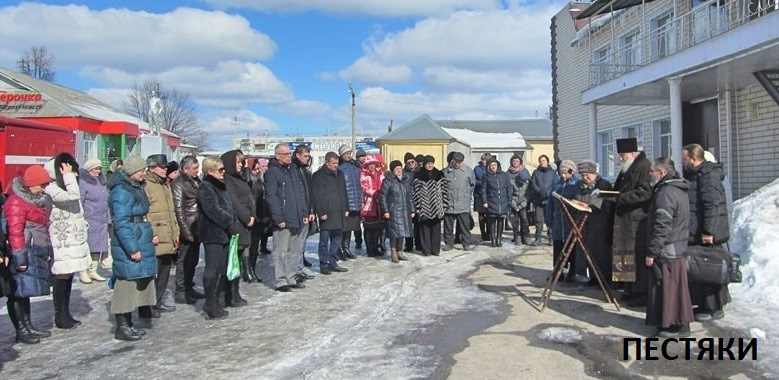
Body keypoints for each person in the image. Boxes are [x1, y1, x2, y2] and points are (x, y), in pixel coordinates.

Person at [107, 155, 157, 340]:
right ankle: (122, 325)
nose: (144, 173)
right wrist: (132, 248)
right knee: (126, 283)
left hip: (139, 235)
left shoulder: (135, 187)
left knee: (135, 280)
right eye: (141, 170)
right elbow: (121, 222)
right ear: (131, 172)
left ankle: (129, 323)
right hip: (130, 240)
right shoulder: (122, 191)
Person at [4, 166, 54, 344]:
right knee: (17, 292)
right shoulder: (16, 202)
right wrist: (19, 257)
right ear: (31, 184)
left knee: (25, 291)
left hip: (32, 249)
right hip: (22, 251)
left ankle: (28, 325)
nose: (44, 188)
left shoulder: (35, 200)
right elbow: (15, 232)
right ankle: (21, 330)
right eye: (41, 184)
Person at [645, 157, 693, 338]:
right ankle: (677, 323)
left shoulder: (666, 192)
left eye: (652, 171)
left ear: (662, 172)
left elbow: (662, 224)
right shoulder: (677, 189)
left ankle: (674, 325)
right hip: (677, 244)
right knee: (675, 287)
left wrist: (652, 250)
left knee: (669, 288)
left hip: (668, 247)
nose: (650, 174)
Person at [682, 144, 731, 321]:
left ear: (694, 159)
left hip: (709, 232)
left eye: (685, 159)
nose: (683, 162)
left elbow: (711, 205)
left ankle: (713, 308)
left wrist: (709, 231)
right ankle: (705, 304)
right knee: (703, 268)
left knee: (709, 267)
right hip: (700, 230)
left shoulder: (708, 176)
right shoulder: (698, 174)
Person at [44, 153, 92, 329]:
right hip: (61, 241)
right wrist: (68, 175)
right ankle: (60, 315)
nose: (74, 174)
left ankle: (66, 313)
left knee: (68, 277)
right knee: (61, 278)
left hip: (72, 240)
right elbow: (72, 197)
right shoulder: (52, 188)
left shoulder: (65, 185)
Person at [266, 144, 318, 290]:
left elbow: (300, 195)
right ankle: (281, 280)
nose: (289, 156)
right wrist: (278, 218)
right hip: (283, 219)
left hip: (297, 217)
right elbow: (271, 197)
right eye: (286, 154)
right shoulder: (272, 172)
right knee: (281, 251)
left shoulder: (292, 171)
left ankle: (291, 277)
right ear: (278, 155)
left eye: (289, 154)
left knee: (295, 250)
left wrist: (304, 213)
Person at [611, 138, 653, 307]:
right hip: (625, 219)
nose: (620, 158)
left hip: (637, 220)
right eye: (619, 155)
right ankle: (628, 289)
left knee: (636, 256)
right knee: (625, 255)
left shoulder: (644, 166)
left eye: (623, 155)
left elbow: (645, 192)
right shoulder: (626, 168)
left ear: (634, 153)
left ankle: (640, 293)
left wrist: (621, 198)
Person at [196, 156, 236, 320]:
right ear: (210, 171)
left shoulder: (220, 185)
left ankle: (215, 301)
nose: (223, 172)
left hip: (223, 233)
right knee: (212, 269)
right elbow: (213, 209)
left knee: (221, 268)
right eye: (220, 169)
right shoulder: (206, 187)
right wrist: (229, 219)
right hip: (212, 233)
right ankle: (210, 303)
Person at [144, 154, 180, 313]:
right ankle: (147, 305)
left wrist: (176, 232)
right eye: (162, 167)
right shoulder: (146, 186)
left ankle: (157, 301)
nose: (165, 169)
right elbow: (145, 214)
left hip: (167, 235)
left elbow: (171, 212)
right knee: (152, 273)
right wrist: (151, 234)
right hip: (155, 237)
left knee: (165, 270)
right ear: (152, 168)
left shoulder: (165, 185)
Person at [220, 150, 256, 301]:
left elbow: (249, 198)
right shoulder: (227, 180)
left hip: (246, 224)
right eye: (238, 162)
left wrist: (253, 215)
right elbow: (234, 202)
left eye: (242, 162)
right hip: (236, 224)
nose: (241, 165)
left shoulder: (240, 179)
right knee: (232, 261)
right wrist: (247, 218)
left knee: (238, 259)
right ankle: (230, 294)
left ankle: (235, 292)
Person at [170, 155, 205, 304]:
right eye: (194, 168)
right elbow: (178, 209)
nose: (197, 171)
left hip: (197, 227)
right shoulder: (179, 183)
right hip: (188, 228)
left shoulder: (196, 181)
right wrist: (186, 232)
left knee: (193, 261)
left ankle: (189, 287)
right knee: (183, 262)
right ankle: (181, 291)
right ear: (185, 169)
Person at [574, 160, 613, 286]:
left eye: (587, 175)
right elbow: (577, 198)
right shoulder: (580, 185)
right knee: (589, 251)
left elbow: (602, 204)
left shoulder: (603, 184)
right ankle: (593, 277)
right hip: (585, 223)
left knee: (601, 252)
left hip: (600, 223)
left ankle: (603, 278)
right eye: (582, 175)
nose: (585, 178)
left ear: (594, 172)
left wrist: (588, 205)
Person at [312, 152, 350, 273]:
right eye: (333, 163)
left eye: (337, 163)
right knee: (324, 241)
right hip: (326, 213)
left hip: (338, 212)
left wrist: (346, 208)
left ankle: (333, 262)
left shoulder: (340, 174)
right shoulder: (318, 175)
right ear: (327, 162)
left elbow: (344, 192)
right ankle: (324, 264)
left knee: (337, 240)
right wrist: (320, 211)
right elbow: (316, 196)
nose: (336, 166)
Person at [546, 160, 581, 279]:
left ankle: (573, 272)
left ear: (571, 172)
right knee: (558, 247)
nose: (563, 175)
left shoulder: (576, 184)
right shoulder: (557, 185)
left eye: (566, 173)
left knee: (571, 246)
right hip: (558, 222)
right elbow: (550, 203)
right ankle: (558, 272)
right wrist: (549, 220)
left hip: (570, 222)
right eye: (561, 173)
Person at [78, 158, 110, 284]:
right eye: (95, 168)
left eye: (99, 168)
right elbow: (80, 200)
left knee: (99, 246)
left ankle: (93, 269)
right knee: (87, 246)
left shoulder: (101, 182)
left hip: (101, 219)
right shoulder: (84, 182)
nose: (98, 171)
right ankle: (84, 271)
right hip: (89, 219)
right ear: (89, 169)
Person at [381, 160, 414, 263]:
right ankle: (393, 252)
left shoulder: (406, 180)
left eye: (400, 168)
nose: (399, 171)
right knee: (394, 233)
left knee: (402, 232)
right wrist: (385, 210)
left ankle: (400, 251)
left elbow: (410, 196)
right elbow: (382, 197)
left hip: (404, 210)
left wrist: (412, 209)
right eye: (396, 169)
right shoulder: (388, 181)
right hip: (393, 210)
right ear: (393, 171)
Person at [413, 155, 446, 256]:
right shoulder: (418, 175)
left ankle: (435, 250)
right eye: (427, 164)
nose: (429, 165)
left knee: (436, 229)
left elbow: (445, 190)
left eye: (431, 163)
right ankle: (426, 250)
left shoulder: (439, 174)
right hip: (424, 206)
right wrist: (418, 206)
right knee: (425, 230)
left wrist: (445, 204)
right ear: (424, 165)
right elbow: (415, 192)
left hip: (437, 206)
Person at [442, 152, 476, 251]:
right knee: (448, 227)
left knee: (464, 226)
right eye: (455, 162)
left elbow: (473, 185)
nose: (457, 164)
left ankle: (466, 243)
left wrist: (467, 196)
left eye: (459, 162)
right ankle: (449, 243)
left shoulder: (468, 171)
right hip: (449, 204)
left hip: (463, 204)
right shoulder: (446, 171)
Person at [481, 158, 515, 248]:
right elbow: (483, 190)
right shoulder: (486, 176)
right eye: (491, 165)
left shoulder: (504, 175)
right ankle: (492, 239)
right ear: (488, 167)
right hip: (491, 201)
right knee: (492, 221)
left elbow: (509, 188)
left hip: (502, 201)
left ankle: (499, 239)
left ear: (498, 166)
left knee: (501, 220)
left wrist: (509, 199)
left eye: (495, 165)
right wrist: (484, 201)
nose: (493, 167)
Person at [338, 144, 362, 259]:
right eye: (346, 153)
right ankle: (341, 248)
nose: (349, 155)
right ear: (341, 155)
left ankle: (346, 247)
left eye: (349, 153)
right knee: (344, 228)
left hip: (355, 201)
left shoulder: (354, 167)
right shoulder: (339, 168)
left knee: (350, 227)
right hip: (346, 202)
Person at [360, 154, 386, 257]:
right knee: (368, 228)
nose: (372, 166)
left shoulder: (381, 174)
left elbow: (384, 185)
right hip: (368, 204)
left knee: (377, 228)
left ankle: (375, 248)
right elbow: (364, 188)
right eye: (370, 164)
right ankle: (369, 249)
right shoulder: (363, 176)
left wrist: (381, 194)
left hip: (378, 204)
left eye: (373, 164)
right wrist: (375, 192)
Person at [529, 155, 558, 246]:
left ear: (547, 161)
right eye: (540, 161)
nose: (542, 162)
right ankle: (538, 238)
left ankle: (551, 238)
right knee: (538, 220)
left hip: (550, 199)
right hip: (538, 200)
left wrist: (548, 193)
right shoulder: (536, 172)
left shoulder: (553, 173)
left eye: (544, 160)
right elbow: (532, 183)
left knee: (550, 219)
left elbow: (555, 184)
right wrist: (539, 192)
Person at [249, 158, 273, 260]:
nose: (258, 171)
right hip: (253, 216)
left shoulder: (261, 181)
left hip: (262, 214)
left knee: (260, 236)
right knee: (251, 245)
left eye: (260, 168)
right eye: (256, 169)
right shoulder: (250, 182)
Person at [506, 155, 531, 245]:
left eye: (517, 161)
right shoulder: (508, 173)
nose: (515, 162)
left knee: (524, 219)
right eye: (513, 161)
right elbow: (508, 190)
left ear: (520, 162)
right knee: (515, 221)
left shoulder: (525, 171)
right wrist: (513, 204)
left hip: (523, 200)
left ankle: (526, 236)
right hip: (513, 201)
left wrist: (523, 204)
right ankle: (517, 237)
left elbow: (529, 190)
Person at [473, 153, 492, 241]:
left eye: (486, 160)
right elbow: (475, 180)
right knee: (481, 215)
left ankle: (489, 233)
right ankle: (483, 233)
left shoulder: (491, 168)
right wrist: (483, 183)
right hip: (479, 194)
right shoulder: (477, 168)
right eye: (483, 160)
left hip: (489, 195)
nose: (484, 162)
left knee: (489, 215)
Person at [402, 152, 419, 253]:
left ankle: (419, 244)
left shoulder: (420, 171)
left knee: (419, 225)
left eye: (412, 161)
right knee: (408, 225)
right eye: (408, 163)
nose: (411, 164)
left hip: (419, 201)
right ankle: (408, 245)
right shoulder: (404, 173)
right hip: (408, 202)